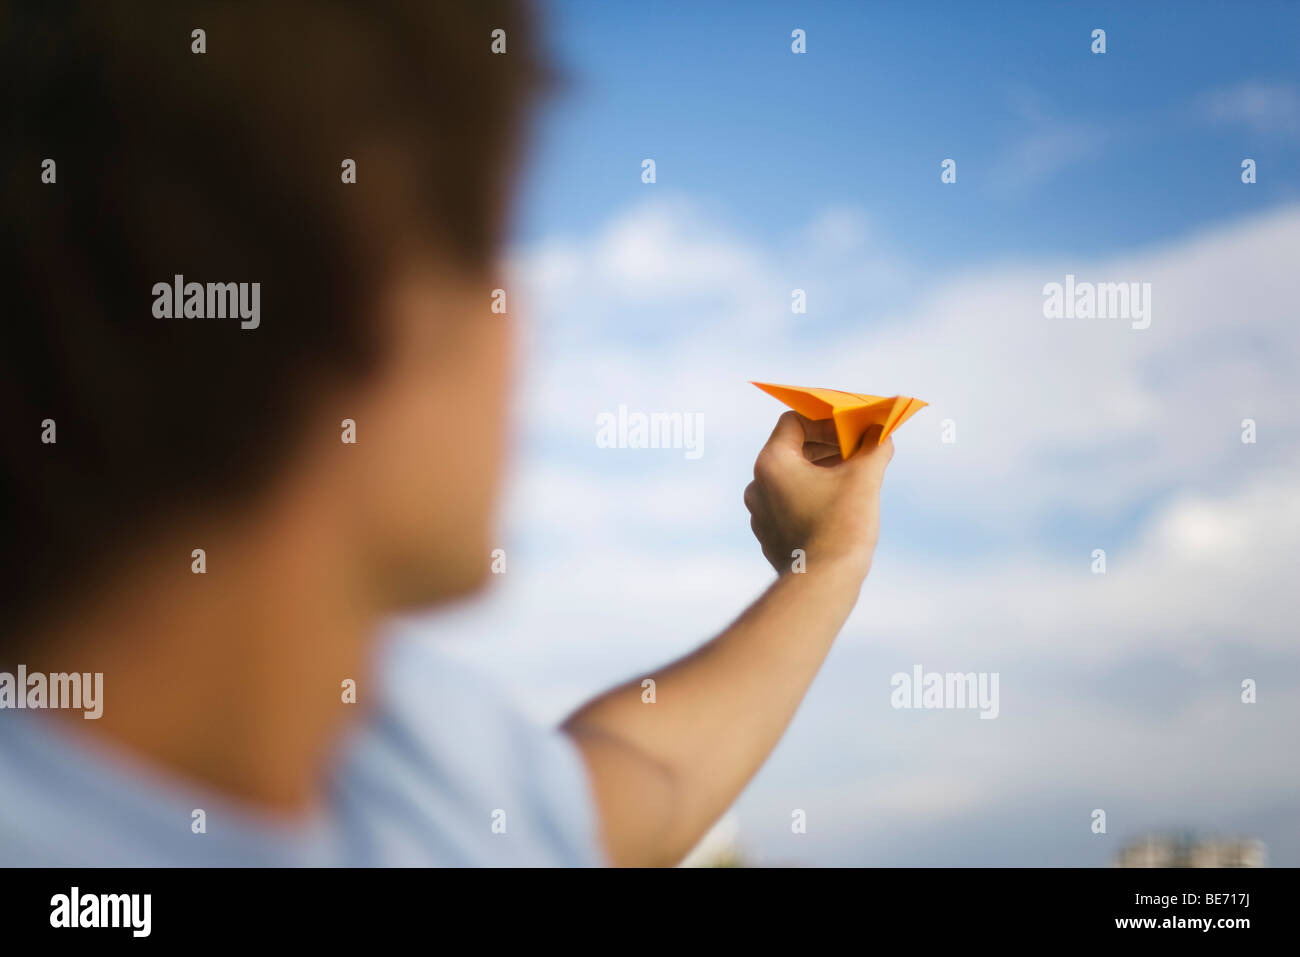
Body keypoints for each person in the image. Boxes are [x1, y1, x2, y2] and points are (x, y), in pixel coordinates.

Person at [0, 1, 893, 867]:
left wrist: (827, 562)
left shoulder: (395, 752)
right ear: (373, 280)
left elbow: (646, 781)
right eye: (485, 252)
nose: (518, 327)